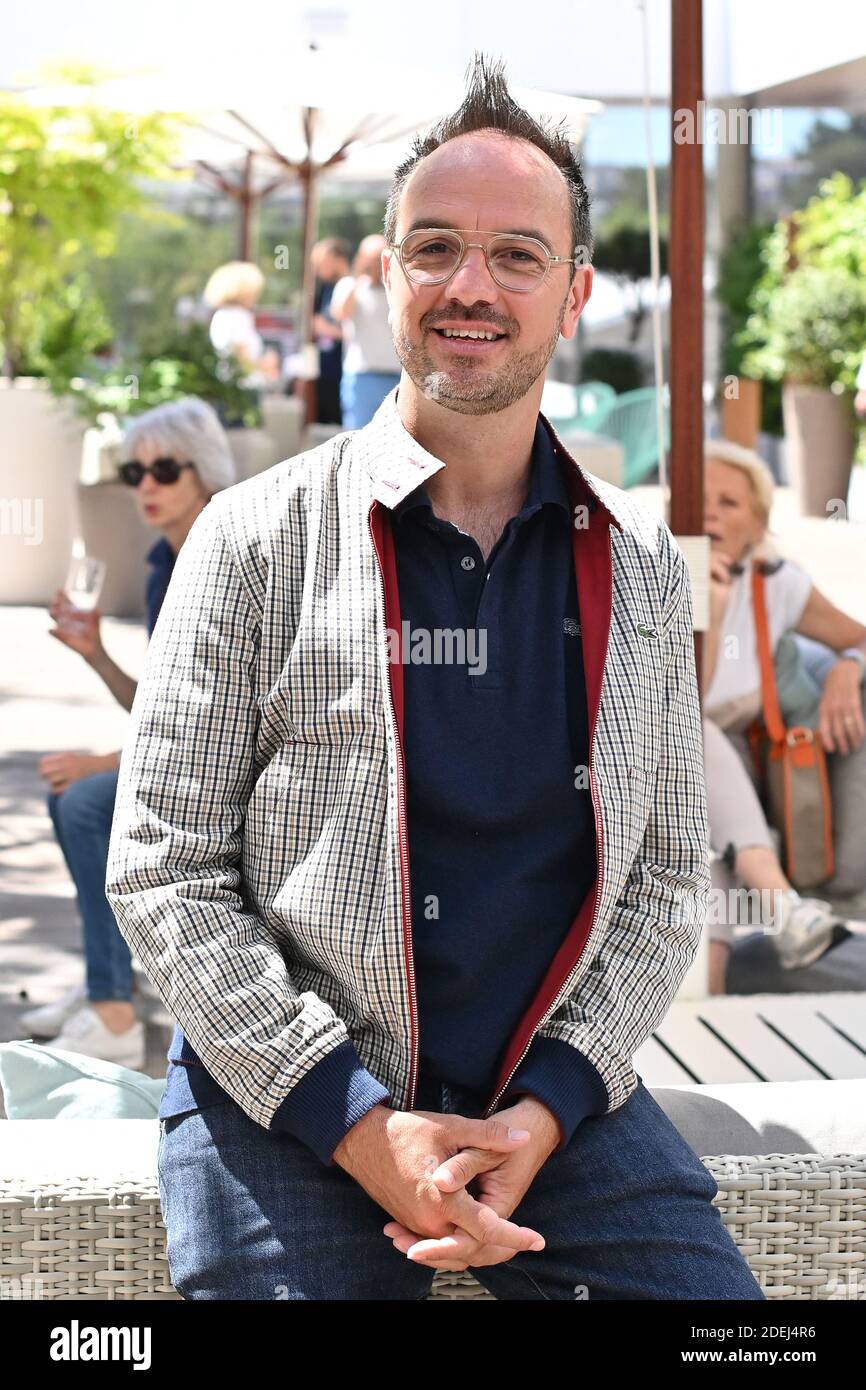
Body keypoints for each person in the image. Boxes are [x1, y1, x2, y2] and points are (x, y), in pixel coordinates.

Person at [105, 55, 763, 1301]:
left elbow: (667, 871)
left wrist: (552, 1106)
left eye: (517, 255)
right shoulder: (253, 540)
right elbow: (163, 865)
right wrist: (355, 1121)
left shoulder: (634, 563)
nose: (471, 285)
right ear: (389, 277)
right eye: (434, 249)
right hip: (289, 1097)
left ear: (572, 294)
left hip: (549, 1099)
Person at [26, 399, 237, 1066]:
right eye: (134, 471)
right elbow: (164, 708)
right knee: (70, 795)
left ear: (203, 473)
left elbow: (220, 726)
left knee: (87, 801)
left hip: (244, 776)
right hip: (196, 762)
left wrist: (103, 764)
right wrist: (93, 652)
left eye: (165, 469)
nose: (146, 485)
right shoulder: (162, 565)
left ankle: (114, 1013)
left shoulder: (229, 557)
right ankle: (106, 983)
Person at [701, 439, 866, 995]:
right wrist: (714, 612)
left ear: (758, 522)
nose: (709, 513)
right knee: (691, 736)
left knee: (709, 839)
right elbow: (680, 702)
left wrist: (847, 668)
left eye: (729, 503)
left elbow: (860, 638)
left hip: (747, 771)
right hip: (659, 765)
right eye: (698, 499)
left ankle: (718, 992)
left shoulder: (779, 583)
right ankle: (784, 910)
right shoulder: (655, 574)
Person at [329, 233, 401, 428]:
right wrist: (359, 276)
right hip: (362, 375)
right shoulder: (350, 285)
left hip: (397, 376)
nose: (376, 265)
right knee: (358, 433)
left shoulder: (397, 288)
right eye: (372, 259)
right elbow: (341, 313)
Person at [203, 260, 280, 387]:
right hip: (244, 386)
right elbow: (241, 361)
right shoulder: (239, 317)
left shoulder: (221, 315)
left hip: (227, 384)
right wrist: (266, 364)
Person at [310, 237, 351, 424]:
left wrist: (328, 330)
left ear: (337, 259)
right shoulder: (323, 288)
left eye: (321, 262)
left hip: (342, 368)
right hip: (323, 368)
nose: (317, 269)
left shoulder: (352, 288)